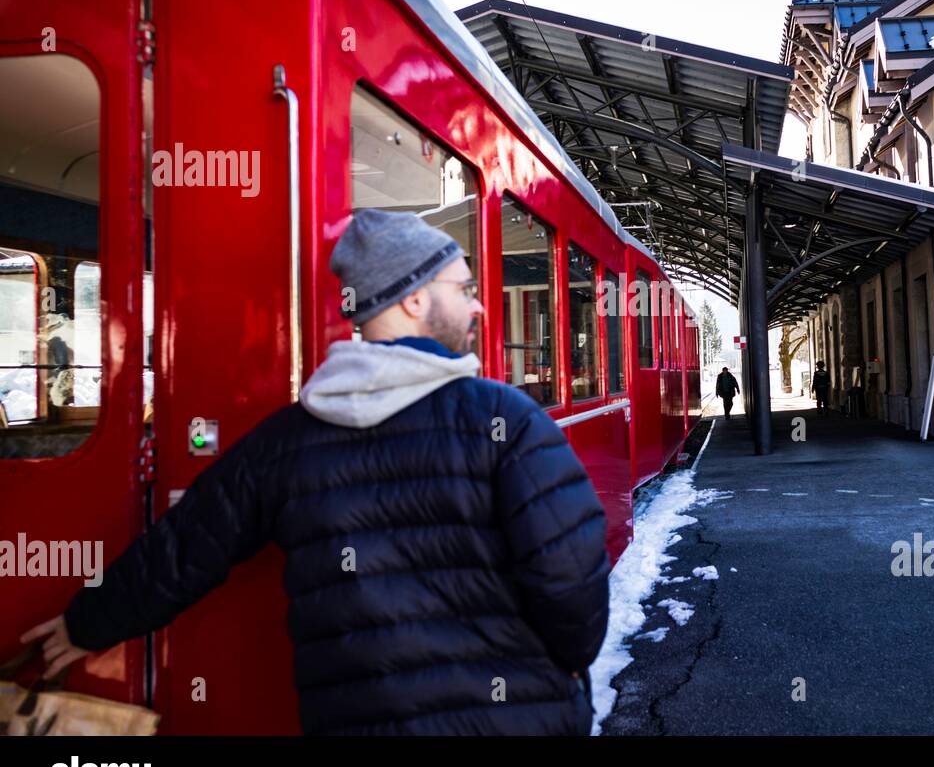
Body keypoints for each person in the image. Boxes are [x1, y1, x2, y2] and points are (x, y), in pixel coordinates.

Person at [22, 209, 610, 736]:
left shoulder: (289, 440)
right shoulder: (506, 420)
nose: (478, 304)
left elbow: (185, 548)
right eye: (463, 288)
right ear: (413, 298)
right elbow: (570, 582)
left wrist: (87, 623)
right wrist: (563, 665)